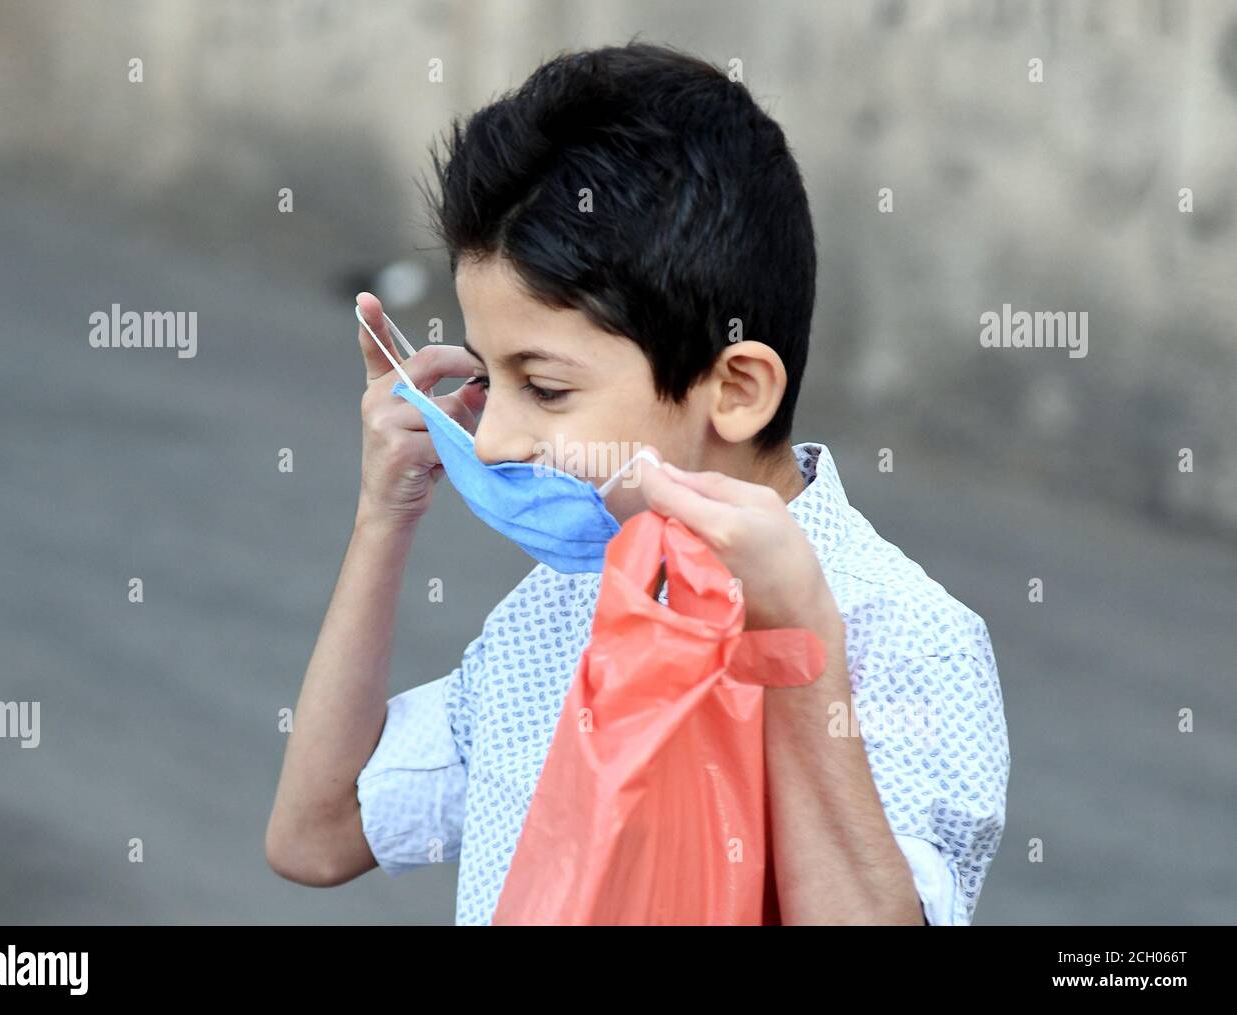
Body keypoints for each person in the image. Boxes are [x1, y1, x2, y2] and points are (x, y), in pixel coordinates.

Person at [266, 40, 1009, 926]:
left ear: (734, 390)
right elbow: (317, 834)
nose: (494, 437)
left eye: (544, 387)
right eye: (487, 377)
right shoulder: (556, 611)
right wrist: (383, 515)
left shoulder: (907, 640)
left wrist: (797, 645)